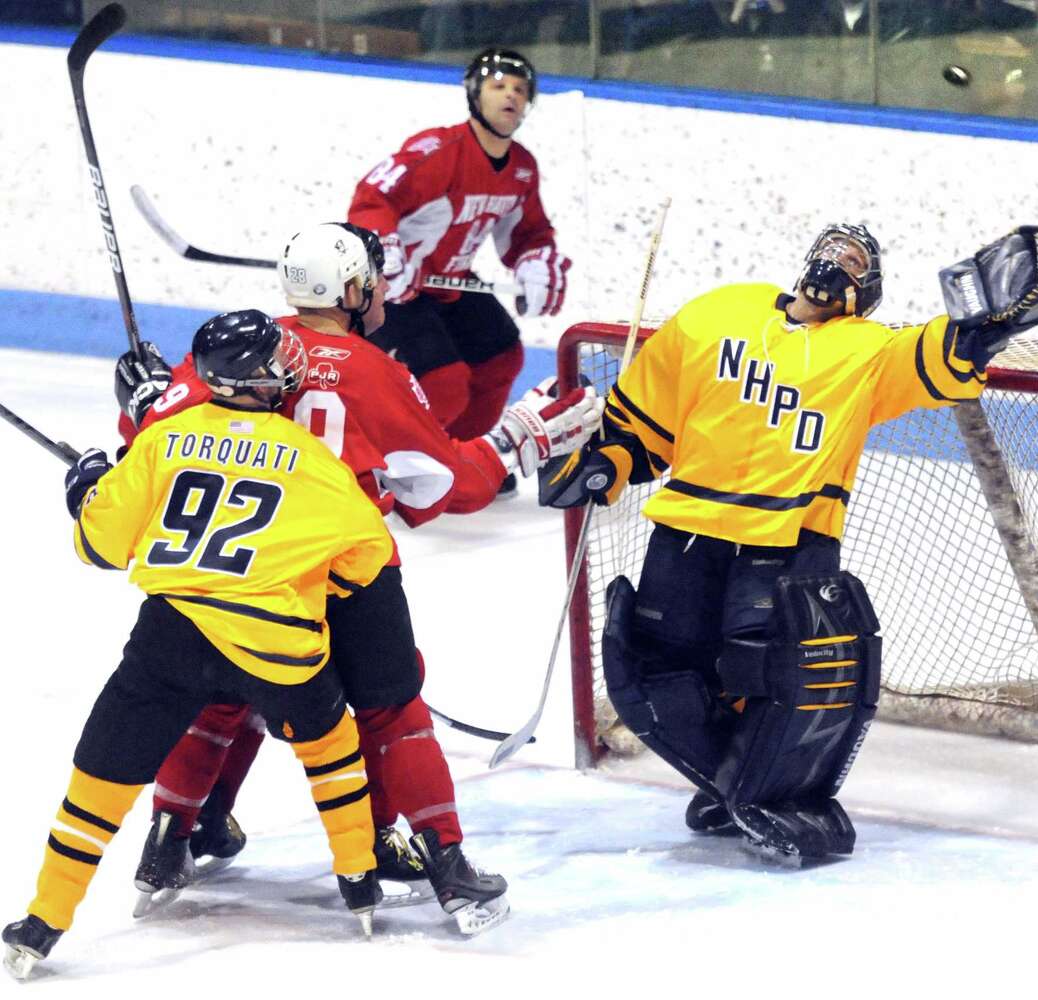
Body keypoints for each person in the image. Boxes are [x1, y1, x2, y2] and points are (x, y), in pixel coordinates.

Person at [113, 222, 600, 935]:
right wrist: (518, 439)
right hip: (346, 572)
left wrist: (144, 400)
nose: (381, 291)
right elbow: (448, 485)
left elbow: (148, 442)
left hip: (241, 573)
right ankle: (443, 865)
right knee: (391, 708)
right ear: (348, 289)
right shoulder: (374, 371)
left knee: (223, 698)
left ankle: (170, 839)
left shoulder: (236, 349)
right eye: (371, 279)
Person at [541, 223, 1038, 860]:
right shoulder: (720, 311)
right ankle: (735, 784)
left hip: (787, 544)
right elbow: (644, 424)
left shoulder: (866, 349)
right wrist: (604, 463)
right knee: (655, 677)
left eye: (856, 261)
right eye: (834, 249)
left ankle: (767, 794)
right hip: (686, 532)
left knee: (772, 680)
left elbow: (937, 355)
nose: (838, 261)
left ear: (866, 293)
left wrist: (982, 331)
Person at [2, 310, 396, 980]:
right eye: (275, 359)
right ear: (253, 377)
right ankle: (358, 879)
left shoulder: (164, 438)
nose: (287, 366)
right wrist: (313, 578)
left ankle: (44, 920)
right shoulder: (309, 456)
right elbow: (368, 553)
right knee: (331, 747)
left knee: (100, 777)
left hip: (172, 638)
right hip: (277, 643)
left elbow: (98, 546)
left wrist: (88, 491)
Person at [348, 47, 570, 495]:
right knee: (444, 383)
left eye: (520, 89)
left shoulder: (521, 168)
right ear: (474, 94)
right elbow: (373, 199)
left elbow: (527, 232)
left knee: (501, 357)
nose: (511, 96)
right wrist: (383, 254)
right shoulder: (438, 151)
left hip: (449, 282)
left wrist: (535, 263)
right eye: (499, 86)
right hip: (396, 287)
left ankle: (458, 459)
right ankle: (386, 468)